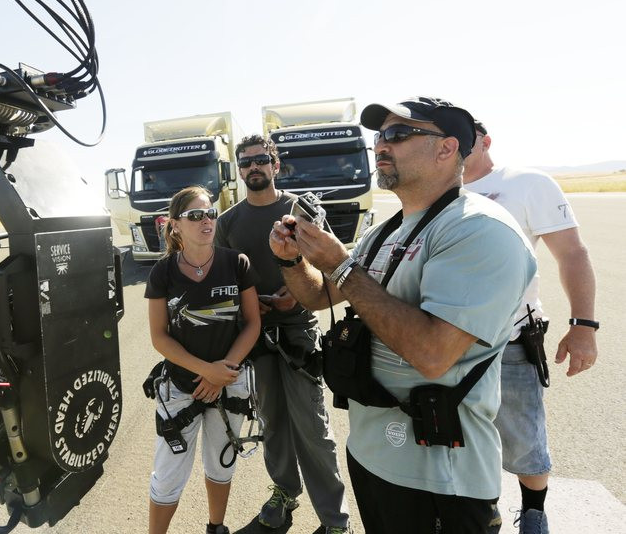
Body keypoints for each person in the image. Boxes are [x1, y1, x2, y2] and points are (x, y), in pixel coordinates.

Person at [269, 97, 537, 533]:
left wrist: (342, 265)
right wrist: (290, 261)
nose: (380, 145)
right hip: (372, 454)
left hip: (442, 476)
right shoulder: (384, 231)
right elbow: (320, 297)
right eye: (379, 136)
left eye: (397, 134)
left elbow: (432, 354)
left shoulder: (479, 230)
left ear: (447, 149)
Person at [463, 119, 598, 534]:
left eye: (462, 139)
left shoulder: (524, 183)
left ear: (485, 142)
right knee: (461, 439)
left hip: (512, 338)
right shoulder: (437, 193)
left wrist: (584, 326)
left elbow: (572, 252)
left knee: (524, 440)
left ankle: (534, 514)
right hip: (450, 341)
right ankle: (478, 514)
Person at [215, 134, 350, 534]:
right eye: (245, 162)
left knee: (311, 425)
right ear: (239, 170)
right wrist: (255, 300)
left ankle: (335, 520)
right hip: (256, 334)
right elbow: (227, 280)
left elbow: (328, 260)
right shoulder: (228, 223)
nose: (253, 167)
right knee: (272, 420)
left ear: (275, 165)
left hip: (299, 331)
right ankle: (284, 492)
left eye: (260, 160)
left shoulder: (299, 210)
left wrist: (294, 293)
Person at [145, 186, 261, 534]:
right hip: (182, 387)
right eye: (195, 215)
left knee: (221, 466)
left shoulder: (236, 263)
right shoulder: (163, 272)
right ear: (175, 225)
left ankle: (216, 527)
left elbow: (253, 322)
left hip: (230, 381)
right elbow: (159, 336)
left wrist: (221, 372)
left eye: (210, 213)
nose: (206, 220)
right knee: (167, 476)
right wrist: (205, 372)